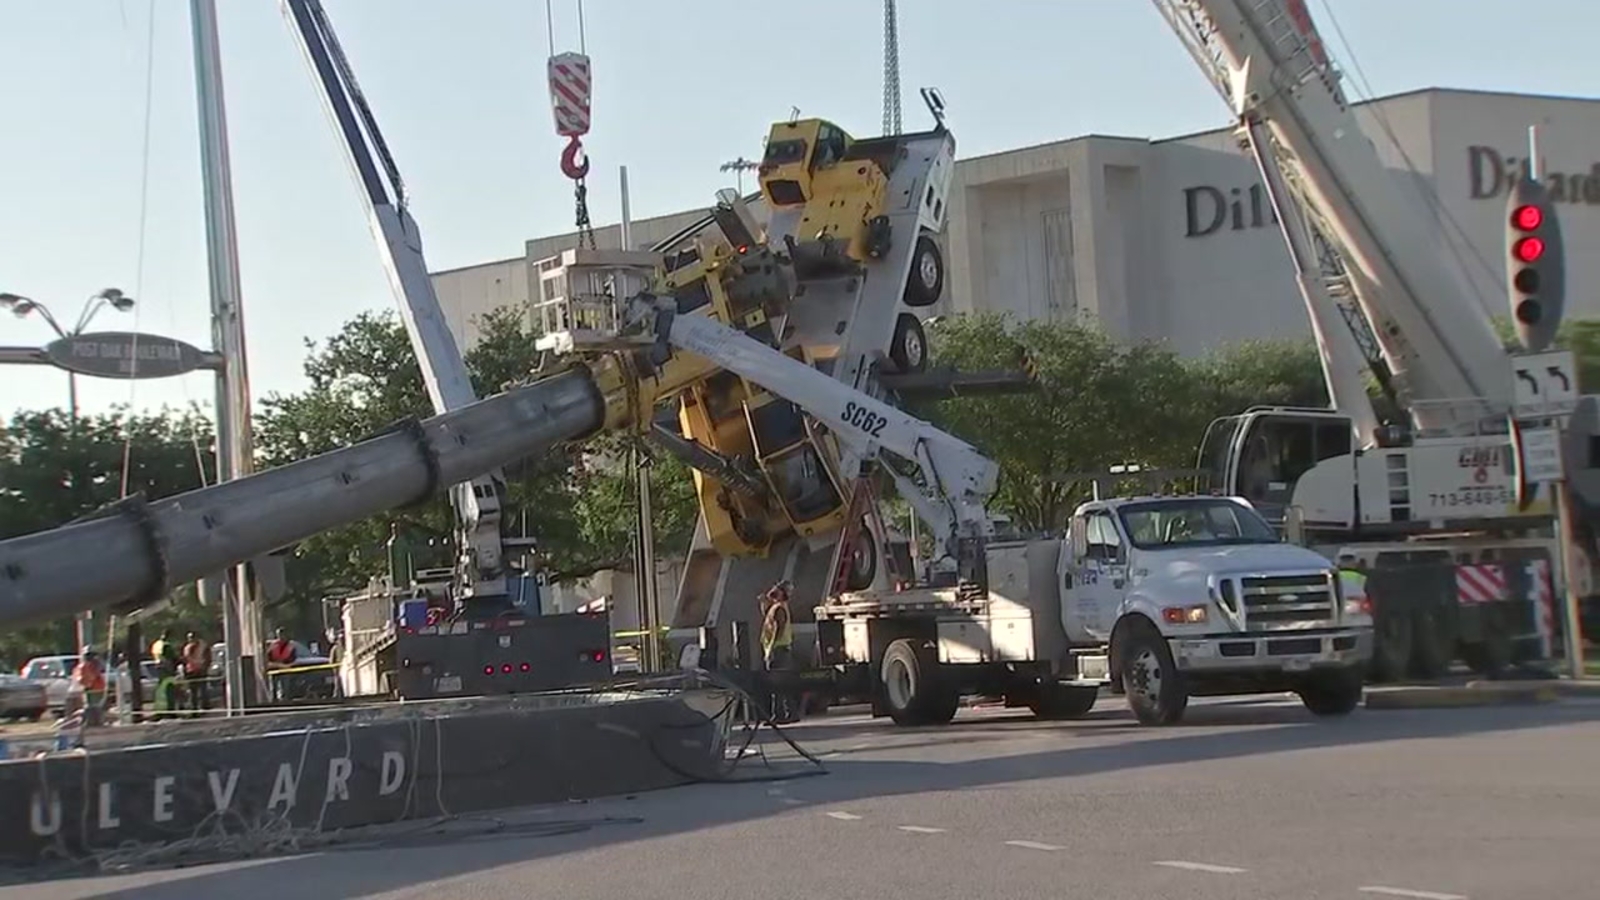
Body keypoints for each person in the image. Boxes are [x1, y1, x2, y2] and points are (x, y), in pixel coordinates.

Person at [760, 580, 798, 723]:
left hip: (778, 650)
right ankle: (788, 713)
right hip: (780, 649)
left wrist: (771, 648)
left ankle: (781, 715)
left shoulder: (779, 608)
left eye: (777, 589)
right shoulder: (776, 607)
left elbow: (778, 628)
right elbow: (767, 617)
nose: (773, 590)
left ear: (782, 593)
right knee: (781, 684)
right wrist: (764, 602)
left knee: (777, 684)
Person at [71, 648, 107, 727]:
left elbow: (94, 675)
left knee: (96, 706)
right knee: (91, 706)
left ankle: (97, 722)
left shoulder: (94, 665)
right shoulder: (84, 666)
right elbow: (81, 677)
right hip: (90, 689)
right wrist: (87, 684)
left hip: (97, 688)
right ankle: (91, 722)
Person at [149, 630, 180, 717]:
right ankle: (171, 712)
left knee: (160, 691)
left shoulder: (156, 644)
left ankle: (160, 711)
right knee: (169, 690)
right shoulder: (167, 645)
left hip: (159, 669)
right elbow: (173, 658)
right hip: (167, 669)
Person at [180, 632, 213, 712]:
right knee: (193, 690)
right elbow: (185, 660)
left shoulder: (202, 646)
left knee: (202, 689)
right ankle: (194, 707)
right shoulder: (187, 647)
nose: (190, 639)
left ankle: (204, 706)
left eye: (191, 637)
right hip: (191, 671)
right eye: (189, 638)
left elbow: (208, 657)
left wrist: (205, 666)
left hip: (200, 670)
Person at [266, 628, 299, 701]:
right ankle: (274, 700)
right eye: (279, 635)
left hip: (285, 669)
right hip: (275, 669)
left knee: (286, 686)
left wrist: (287, 665)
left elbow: (293, 658)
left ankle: (286, 699)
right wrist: (274, 664)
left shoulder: (291, 646)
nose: (281, 637)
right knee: (274, 686)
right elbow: (268, 657)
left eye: (282, 635)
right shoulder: (273, 645)